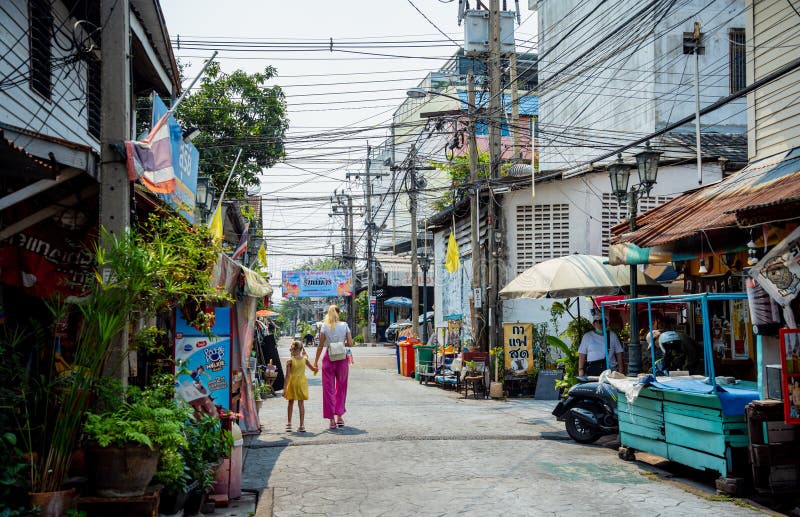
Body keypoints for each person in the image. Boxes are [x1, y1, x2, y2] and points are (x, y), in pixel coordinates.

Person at [314, 304, 353, 430]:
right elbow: (350, 344)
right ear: (338, 313)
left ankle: (331, 420)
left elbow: (320, 345)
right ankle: (339, 417)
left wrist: (315, 362)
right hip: (342, 359)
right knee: (341, 388)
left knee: (328, 390)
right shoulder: (345, 325)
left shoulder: (324, 326)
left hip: (329, 359)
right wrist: (341, 343)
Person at [283, 340, 318, 432]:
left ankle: (289, 423)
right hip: (302, 383)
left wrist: (284, 389)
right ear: (301, 349)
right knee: (301, 404)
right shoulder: (305, 359)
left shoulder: (290, 361)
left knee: (290, 402)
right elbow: (313, 369)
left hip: (293, 383)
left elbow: (287, 376)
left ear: (292, 349)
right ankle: (302, 425)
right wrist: (316, 368)